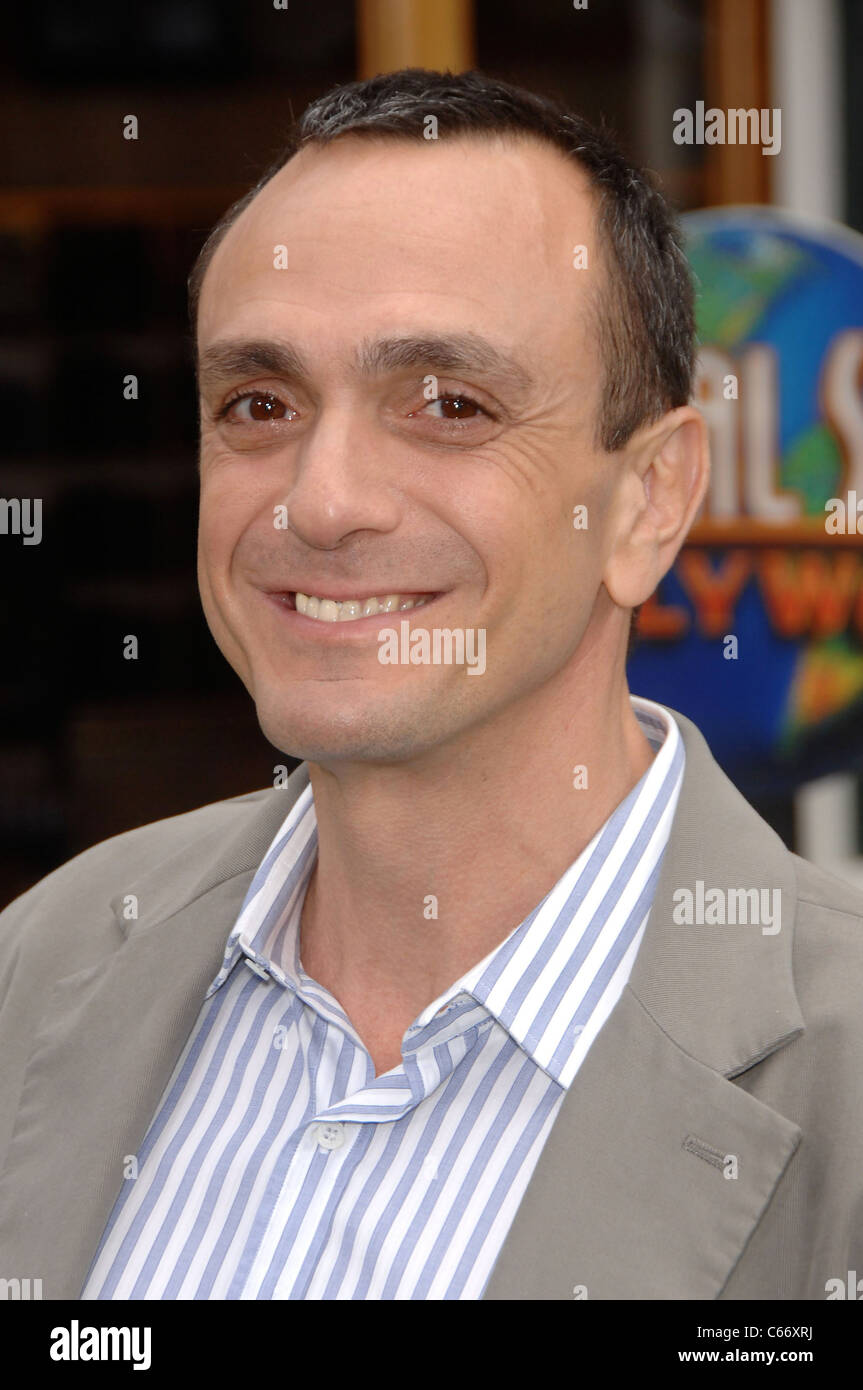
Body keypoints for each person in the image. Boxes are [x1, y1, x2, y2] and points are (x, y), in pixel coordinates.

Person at [1, 68, 861, 1302]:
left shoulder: (840, 1074)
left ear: (650, 499)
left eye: (449, 405)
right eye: (258, 403)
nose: (323, 499)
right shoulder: (51, 963)